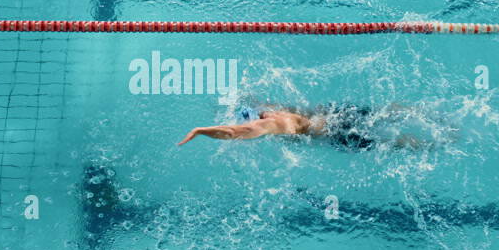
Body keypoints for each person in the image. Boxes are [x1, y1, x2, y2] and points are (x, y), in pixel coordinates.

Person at [176, 102, 439, 150]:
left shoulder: (271, 124)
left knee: (390, 144)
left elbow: (236, 132)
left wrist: (201, 131)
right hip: (335, 114)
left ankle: (430, 144)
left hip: (338, 134)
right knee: (382, 114)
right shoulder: (280, 112)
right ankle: (422, 114)